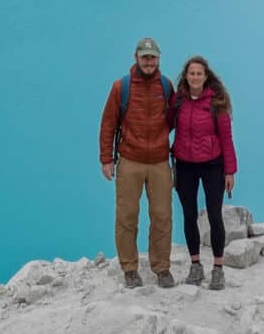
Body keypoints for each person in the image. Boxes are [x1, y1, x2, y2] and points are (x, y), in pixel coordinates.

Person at [99, 36, 176, 289]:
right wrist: (106, 159)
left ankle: (162, 267)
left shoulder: (166, 87)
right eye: (145, 57)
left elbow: (176, 120)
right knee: (127, 217)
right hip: (129, 161)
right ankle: (130, 268)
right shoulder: (121, 87)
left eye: (152, 57)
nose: (149, 62)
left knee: (162, 216)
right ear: (136, 58)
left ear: (158, 59)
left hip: (159, 162)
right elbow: (108, 124)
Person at [170, 54, 236, 291]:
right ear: (186, 77)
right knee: (189, 216)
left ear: (205, 77)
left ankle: (218, 269)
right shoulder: (177, 101)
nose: (195, 77)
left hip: (212, 165)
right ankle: (196, 265)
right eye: (191, 73)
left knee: (214, 216)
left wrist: (230, 171)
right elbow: (163, 125)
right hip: (185, 165)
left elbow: (227, 140)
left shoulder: (216, 103)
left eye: (199, 73)